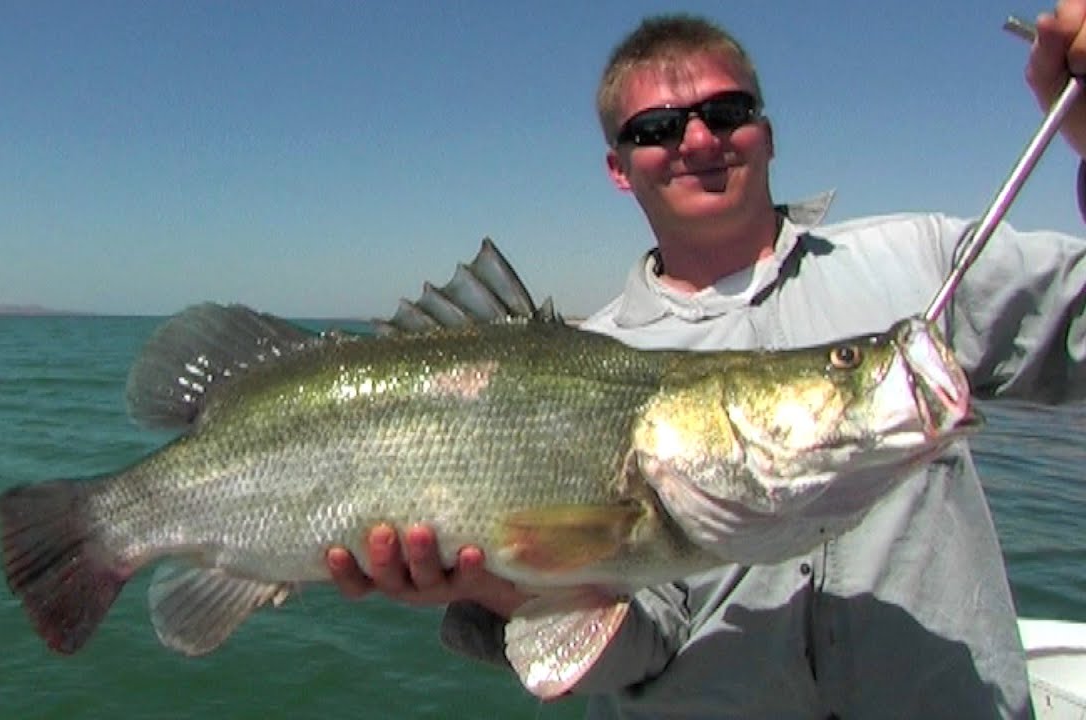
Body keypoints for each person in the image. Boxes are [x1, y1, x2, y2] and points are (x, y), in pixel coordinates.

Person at [326, 5, 1086, 718]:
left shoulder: (924, 267)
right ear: (620, 167)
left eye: (726, 113)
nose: (697, 140)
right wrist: (498, 586)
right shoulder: (592, 362)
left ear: (768, 132)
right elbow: (639, 645)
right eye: (657, 126)